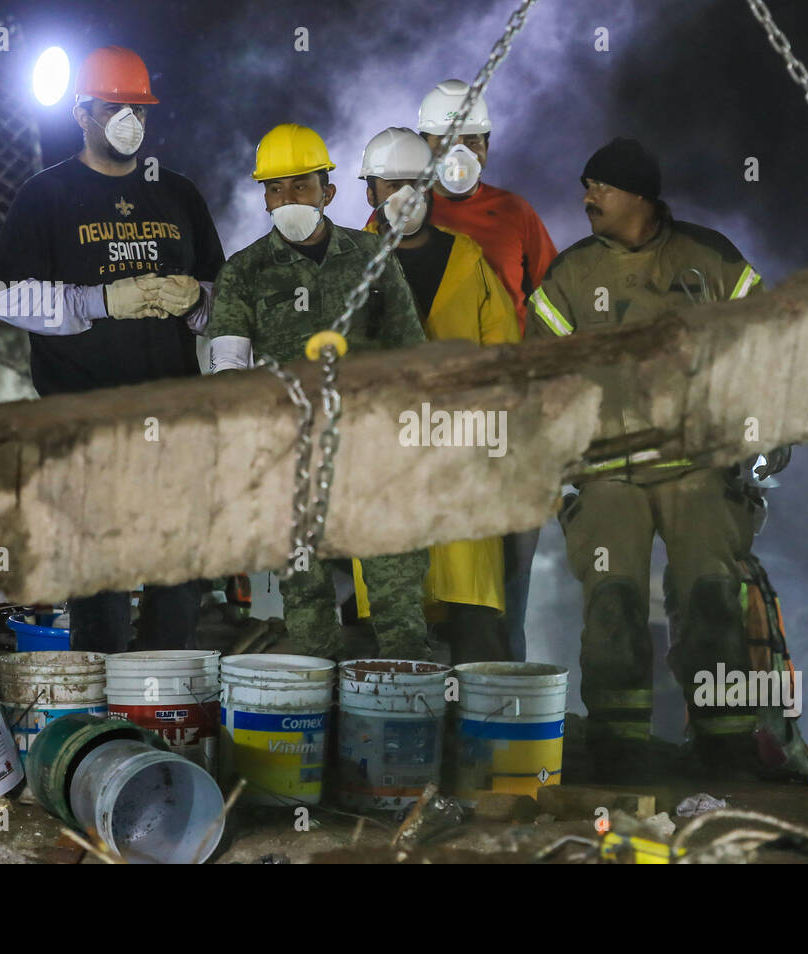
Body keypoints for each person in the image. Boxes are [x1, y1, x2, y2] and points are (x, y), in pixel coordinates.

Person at [526, 137, 808, 780]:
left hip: (699, 467)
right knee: (613, 604)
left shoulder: (711, 261)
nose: (587, 198)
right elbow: (539, 381)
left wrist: (771, 430)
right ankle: (619, 751)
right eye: (587, 186)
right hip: (606, 476)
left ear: (638, 196)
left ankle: (726, 752)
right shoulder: (570, 276)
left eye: (599, 186)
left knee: (712, 599)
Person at [0, 45, 223, 653]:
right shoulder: (46, 196)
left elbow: (227, 304)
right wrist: (98, 302)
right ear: (80, 111)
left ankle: (166, 693)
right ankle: (105, 711)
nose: (129, 120)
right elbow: (6, 298)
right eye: (113, 107)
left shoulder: (178, 195)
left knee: (182, 567)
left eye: (138, 109)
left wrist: (197, 298)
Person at [206, 123, 430, 661]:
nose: (287, 199)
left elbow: (411, 351)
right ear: (263, 197)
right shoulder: (243, 273)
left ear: (328, 191)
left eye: (300, 186)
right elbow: (228, 373)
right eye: (275, 188)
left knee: (397, 592)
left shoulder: (374, 254)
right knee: (305, 599)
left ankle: (406, 713)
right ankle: (314, 718)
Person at [349, 127, 520, 663]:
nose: (402, 194)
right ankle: (385, 738)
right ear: (370, 191)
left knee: (474, 623)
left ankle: (483, 741)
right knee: (384, 622)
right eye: (389, 183)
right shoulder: (350, 264)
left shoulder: (467, 260)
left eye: (413, 181)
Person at [416, 78, 559, 662]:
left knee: (508, 570)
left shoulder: (514, 214)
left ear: (489, 146)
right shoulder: (393, 220)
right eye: (444, 139)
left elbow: (555, 306)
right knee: (431, 570)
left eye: (472, 139)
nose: (459, 152)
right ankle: (430, 697)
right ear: (421, 145)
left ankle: (502, 703)